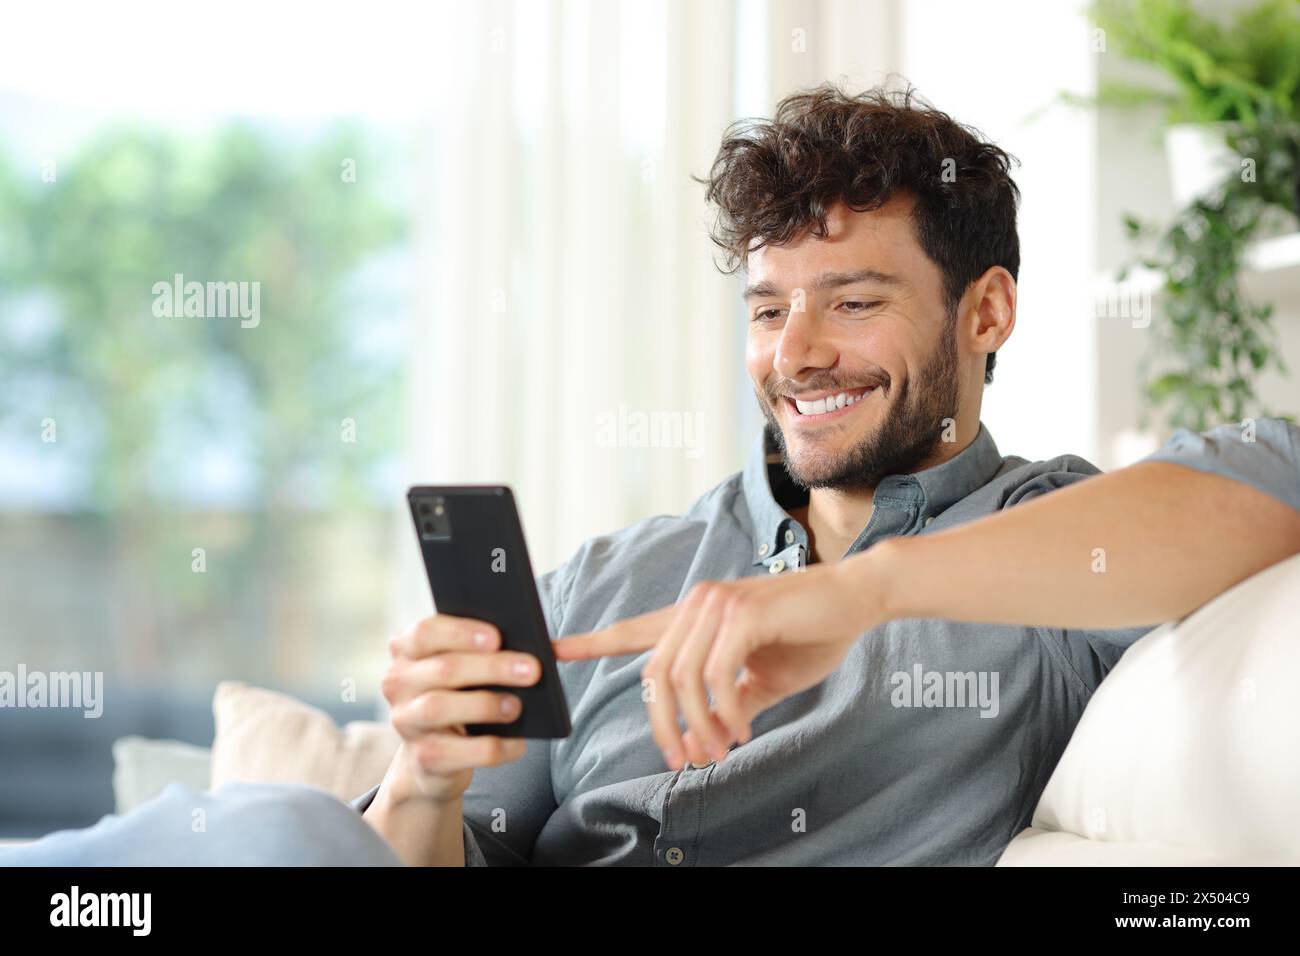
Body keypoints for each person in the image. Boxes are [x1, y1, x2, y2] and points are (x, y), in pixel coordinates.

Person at [6, 84, 1299, 868]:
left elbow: (1273, 479)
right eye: (767, 308)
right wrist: (426, 779)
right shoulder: (616, 575)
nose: (795, 354)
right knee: (278, 831)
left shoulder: (1046, 550)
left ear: (988, 312)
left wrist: (867, 592)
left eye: (852, 301)